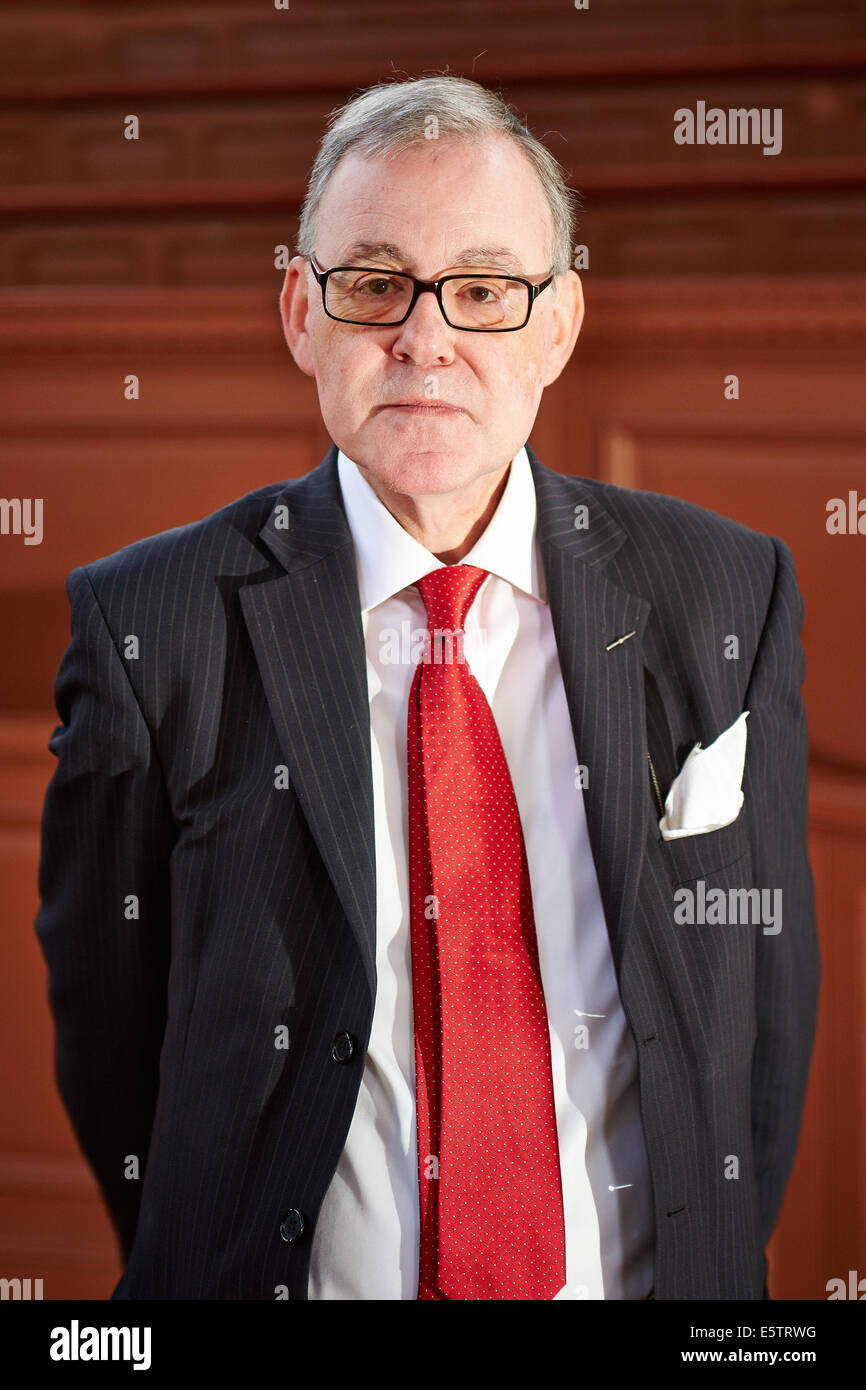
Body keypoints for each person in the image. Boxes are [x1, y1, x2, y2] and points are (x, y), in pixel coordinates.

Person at [34, 74, 819, 1300]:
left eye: (486, 288)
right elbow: (112, 1036)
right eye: (372, 282)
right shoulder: (148, 620)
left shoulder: (727, 592)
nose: (425, 335)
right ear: (302, 310)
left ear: (556, 324)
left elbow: (762, 1014)